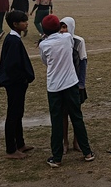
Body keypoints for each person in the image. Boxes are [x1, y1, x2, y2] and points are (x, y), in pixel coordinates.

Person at [38, 14, 94, 167]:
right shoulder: (67, 38)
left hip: (54, 86)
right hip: (71, 84)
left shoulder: (43, 45)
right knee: (77, 117)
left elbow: (45, 61)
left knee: (56, 121)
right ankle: (87, 152)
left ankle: (56, 157)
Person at [0, 10, 35, 159]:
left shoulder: (14, 38)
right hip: (15, 83)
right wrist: (23, 79)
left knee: (18, 112)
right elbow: (12, 65)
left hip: (17, 82)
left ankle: (20, 143)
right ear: (15, 24)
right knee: (13, 114)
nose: (26, 23)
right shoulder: (13, 40)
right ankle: (11, 149)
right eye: (23, 21)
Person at [60, 17, 89, 153]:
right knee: (63, 113)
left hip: (76, 83)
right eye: (61, 27)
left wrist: (81, 83)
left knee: (76, 113)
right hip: (63, 83)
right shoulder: (57, 40)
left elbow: (83, 62)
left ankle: (76, 141)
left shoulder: (78, 41)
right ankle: (64, 141)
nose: (63, 30)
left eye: (65, 27)